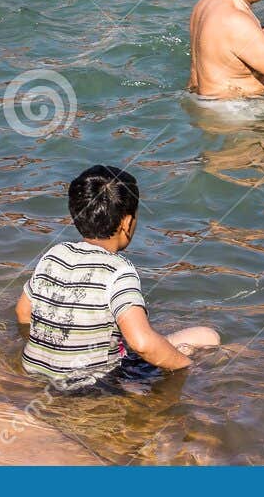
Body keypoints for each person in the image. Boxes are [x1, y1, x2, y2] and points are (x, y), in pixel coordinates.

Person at [18, 166, 219, 391]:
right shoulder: (119, 271)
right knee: (207, 337)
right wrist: (184, 367)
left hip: (35, 372)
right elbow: (142, 343)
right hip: (91, 385)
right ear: (127, 223)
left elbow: (23, 312)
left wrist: (53, 352)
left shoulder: (54, 254)